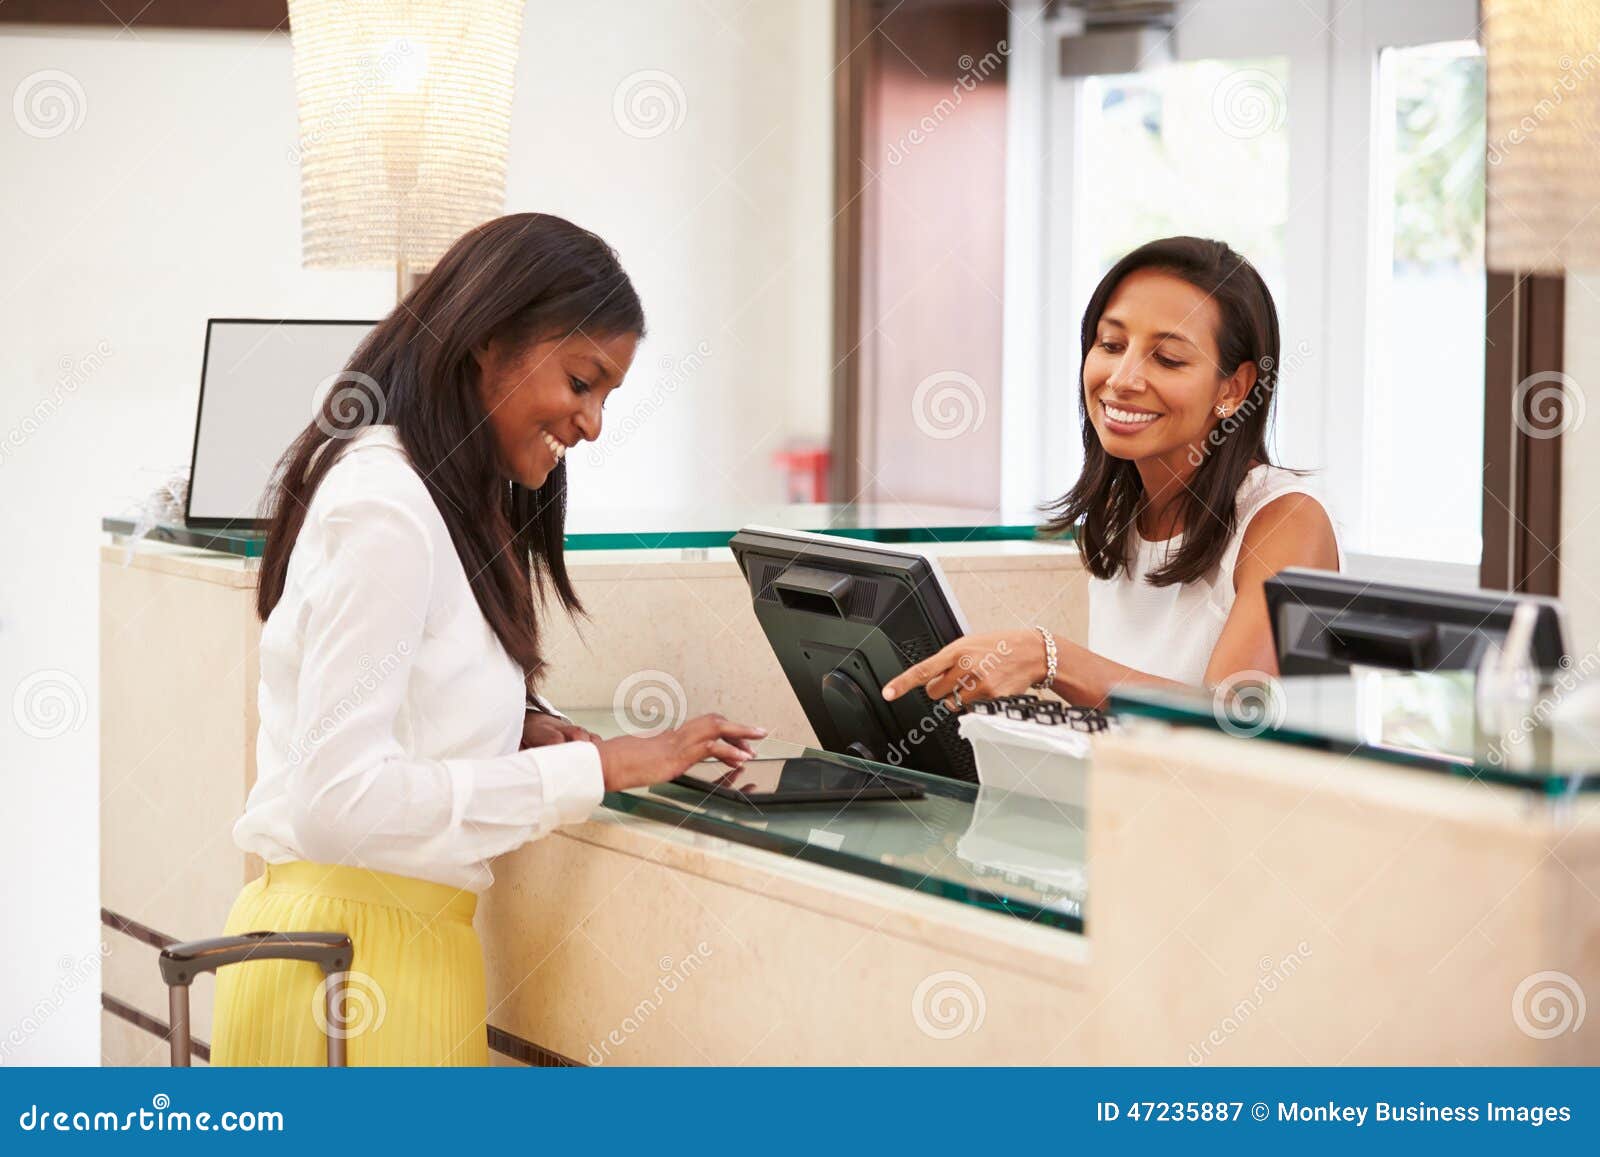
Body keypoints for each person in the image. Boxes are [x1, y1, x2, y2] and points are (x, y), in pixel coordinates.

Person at [211, 213, 764, 1065]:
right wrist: (595, 767)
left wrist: (515, 724)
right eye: (584, 381)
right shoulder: (388, 508)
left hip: (385, 961)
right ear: (488, 339)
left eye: (607, 396)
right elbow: (336, 806)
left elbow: (398, 716)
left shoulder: (428, 502)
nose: (593, 424)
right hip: (354, 975)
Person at [883, 236, 1340, 710]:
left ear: (1235, 388)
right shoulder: (1124, 513)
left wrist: (1050, 658)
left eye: (1167, 358)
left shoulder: (1290, 521)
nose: (1122, 379)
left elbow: (1239, 720)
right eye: (1111, 344)